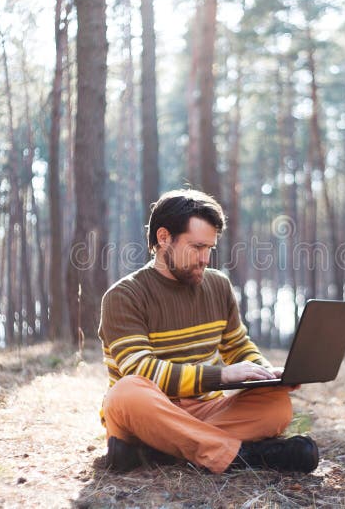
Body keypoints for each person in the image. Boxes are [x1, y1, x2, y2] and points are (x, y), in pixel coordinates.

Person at [97, 189, 318, 474]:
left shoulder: (218, 286)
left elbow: (238, 345)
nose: (205, 258)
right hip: (147, 412)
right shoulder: (124, 296)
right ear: (164, 238)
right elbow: (141, 370)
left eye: (209, 249)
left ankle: (157, 450)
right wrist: (222, 375)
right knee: (126, 392)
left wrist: (267, 375)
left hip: (204, 411)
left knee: (277, 406)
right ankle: (243, 456)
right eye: (196, 247)